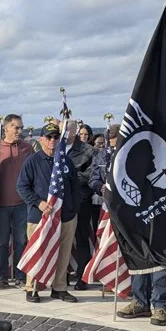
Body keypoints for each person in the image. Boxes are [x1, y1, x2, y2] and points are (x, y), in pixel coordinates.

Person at [16, 122, 80, 303]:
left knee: (63, 253)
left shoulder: (66, 161)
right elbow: (21, 186)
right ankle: (32, 288)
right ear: (41, 139)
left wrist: (73, 208)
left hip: (66, 217)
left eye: (56, 137)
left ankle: (59, 288)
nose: (52, 141)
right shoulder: (32, 161)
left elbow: (75, 187)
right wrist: (39, 203)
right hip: (40, 217)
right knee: (38, 252)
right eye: (49, 137)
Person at [0, 114, 32, 288]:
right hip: (0, 204)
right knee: (1, 243)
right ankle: (2, 277)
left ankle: (20, 277)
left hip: (22, 204)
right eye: (16, 127)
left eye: (21, 128)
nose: (20, 131)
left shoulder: (28, 149)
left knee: (21, 242)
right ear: (6, 128)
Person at [65, 120, 96, 290]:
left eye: (66, 130)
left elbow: (91, 176)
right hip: (59, 201)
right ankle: (62, 277)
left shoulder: (88, 150)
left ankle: (82, 276)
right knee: (62, 240)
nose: (62, 133)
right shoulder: (55, 148)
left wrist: (68, 176)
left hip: (81, 201)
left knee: (81, 239)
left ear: (75, 131)